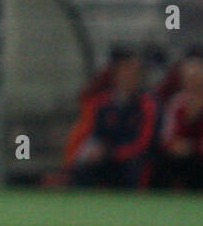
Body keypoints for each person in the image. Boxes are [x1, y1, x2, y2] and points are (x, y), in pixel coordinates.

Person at [65, 52, 157, 188]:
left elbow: (143, 142)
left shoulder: (147, 105)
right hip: (102, 155)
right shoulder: (101, 102)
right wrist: (87, 152)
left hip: (128, 157)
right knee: (82, 167)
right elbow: (88, 131)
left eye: (133, 74)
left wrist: (113, 153)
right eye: (124, 73)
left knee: (133, 167)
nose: (128, 78)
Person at [156, 56, 203, 190]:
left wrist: (196, 146)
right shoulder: (177, 102)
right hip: (184, 155)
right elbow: (166, 136)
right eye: (189, 79)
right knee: (163, 162)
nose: (193, 83)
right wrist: (176, 145)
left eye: (196, 78)